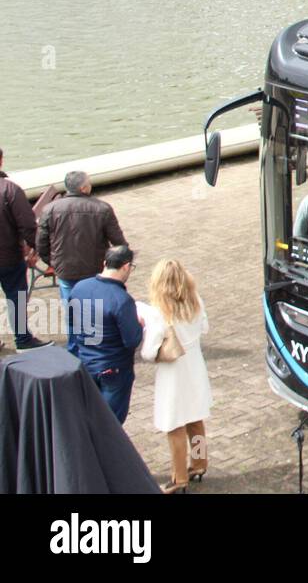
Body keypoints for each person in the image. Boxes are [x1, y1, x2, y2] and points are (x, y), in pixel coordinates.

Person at [139, 259, 212, 495]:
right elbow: (204, 328)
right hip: (195, 367)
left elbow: (148, 352)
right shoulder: (196, 301)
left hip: (174, 374)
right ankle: (199, 464)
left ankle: (179, 477)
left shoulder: (159, 313)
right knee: (196, 420)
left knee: (175, 425)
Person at [37, 170, 127, 348]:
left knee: (72, 312)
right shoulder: (102, 209)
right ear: (84, 188)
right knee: (95, 311)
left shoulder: (50, 210)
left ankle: (75, 348)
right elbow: (119, 243)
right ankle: (96, 347)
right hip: (95, 270)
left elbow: (41, 244)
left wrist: (53, 263)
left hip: (66, 271)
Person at [67, 245, 142, 425]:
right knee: (110, 426)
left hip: (85, 364)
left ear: (104, 263)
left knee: (89, 419)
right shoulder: (121, 300)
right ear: (126, 267)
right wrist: (139, 324)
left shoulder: (80, 288)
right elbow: (132, 340)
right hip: (114, 369)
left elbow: (72, 325)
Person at [0, 147, 50, 351]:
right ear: (1, 160)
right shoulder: (10, 190)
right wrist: (38, 252)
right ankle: (23, 340)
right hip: (9, 258)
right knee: (15, 298)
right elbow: (28, 227)